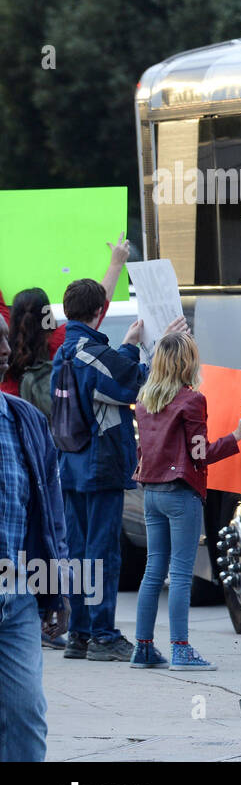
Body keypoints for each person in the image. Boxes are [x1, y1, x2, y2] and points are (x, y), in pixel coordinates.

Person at [50, 277, 186, 663]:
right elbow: (132, 383)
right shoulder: (88, 352)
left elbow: (109, 374)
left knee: (77, 551)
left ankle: (79, 633)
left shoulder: (66, 349)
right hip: (98, 463)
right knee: (101, 553)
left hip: (71, 465)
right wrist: (161, 346)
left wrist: (127, 344)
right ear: (99, 312)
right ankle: (103, 635)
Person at [131, 332, 241, 671]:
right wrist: (237, 435)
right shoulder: (191, 400)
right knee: (182, 573)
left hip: (151, 493)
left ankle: (142, 649)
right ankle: (181, 650)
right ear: (187, 362)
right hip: (180, 493)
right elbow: (200, 455)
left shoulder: (145, 399)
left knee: (153, 570)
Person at [0, 313, 70, 762]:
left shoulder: (24, 419)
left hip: (16, 593)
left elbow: (51, 517)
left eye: (6, 340)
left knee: (26, 714)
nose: (6, 350)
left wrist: (56, 591)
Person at [0, 232, 129, 397]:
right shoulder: (65, 340)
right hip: (55, 421)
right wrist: (116, 264)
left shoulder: (4, 347)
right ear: (47, 313)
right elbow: (96, 305)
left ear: (12, 315)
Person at [6, 288, 56, 420]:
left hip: (13, 426)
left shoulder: (4, 350)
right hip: (51, 431)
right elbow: (89, 313)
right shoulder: (62, 341)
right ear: (48, 315)